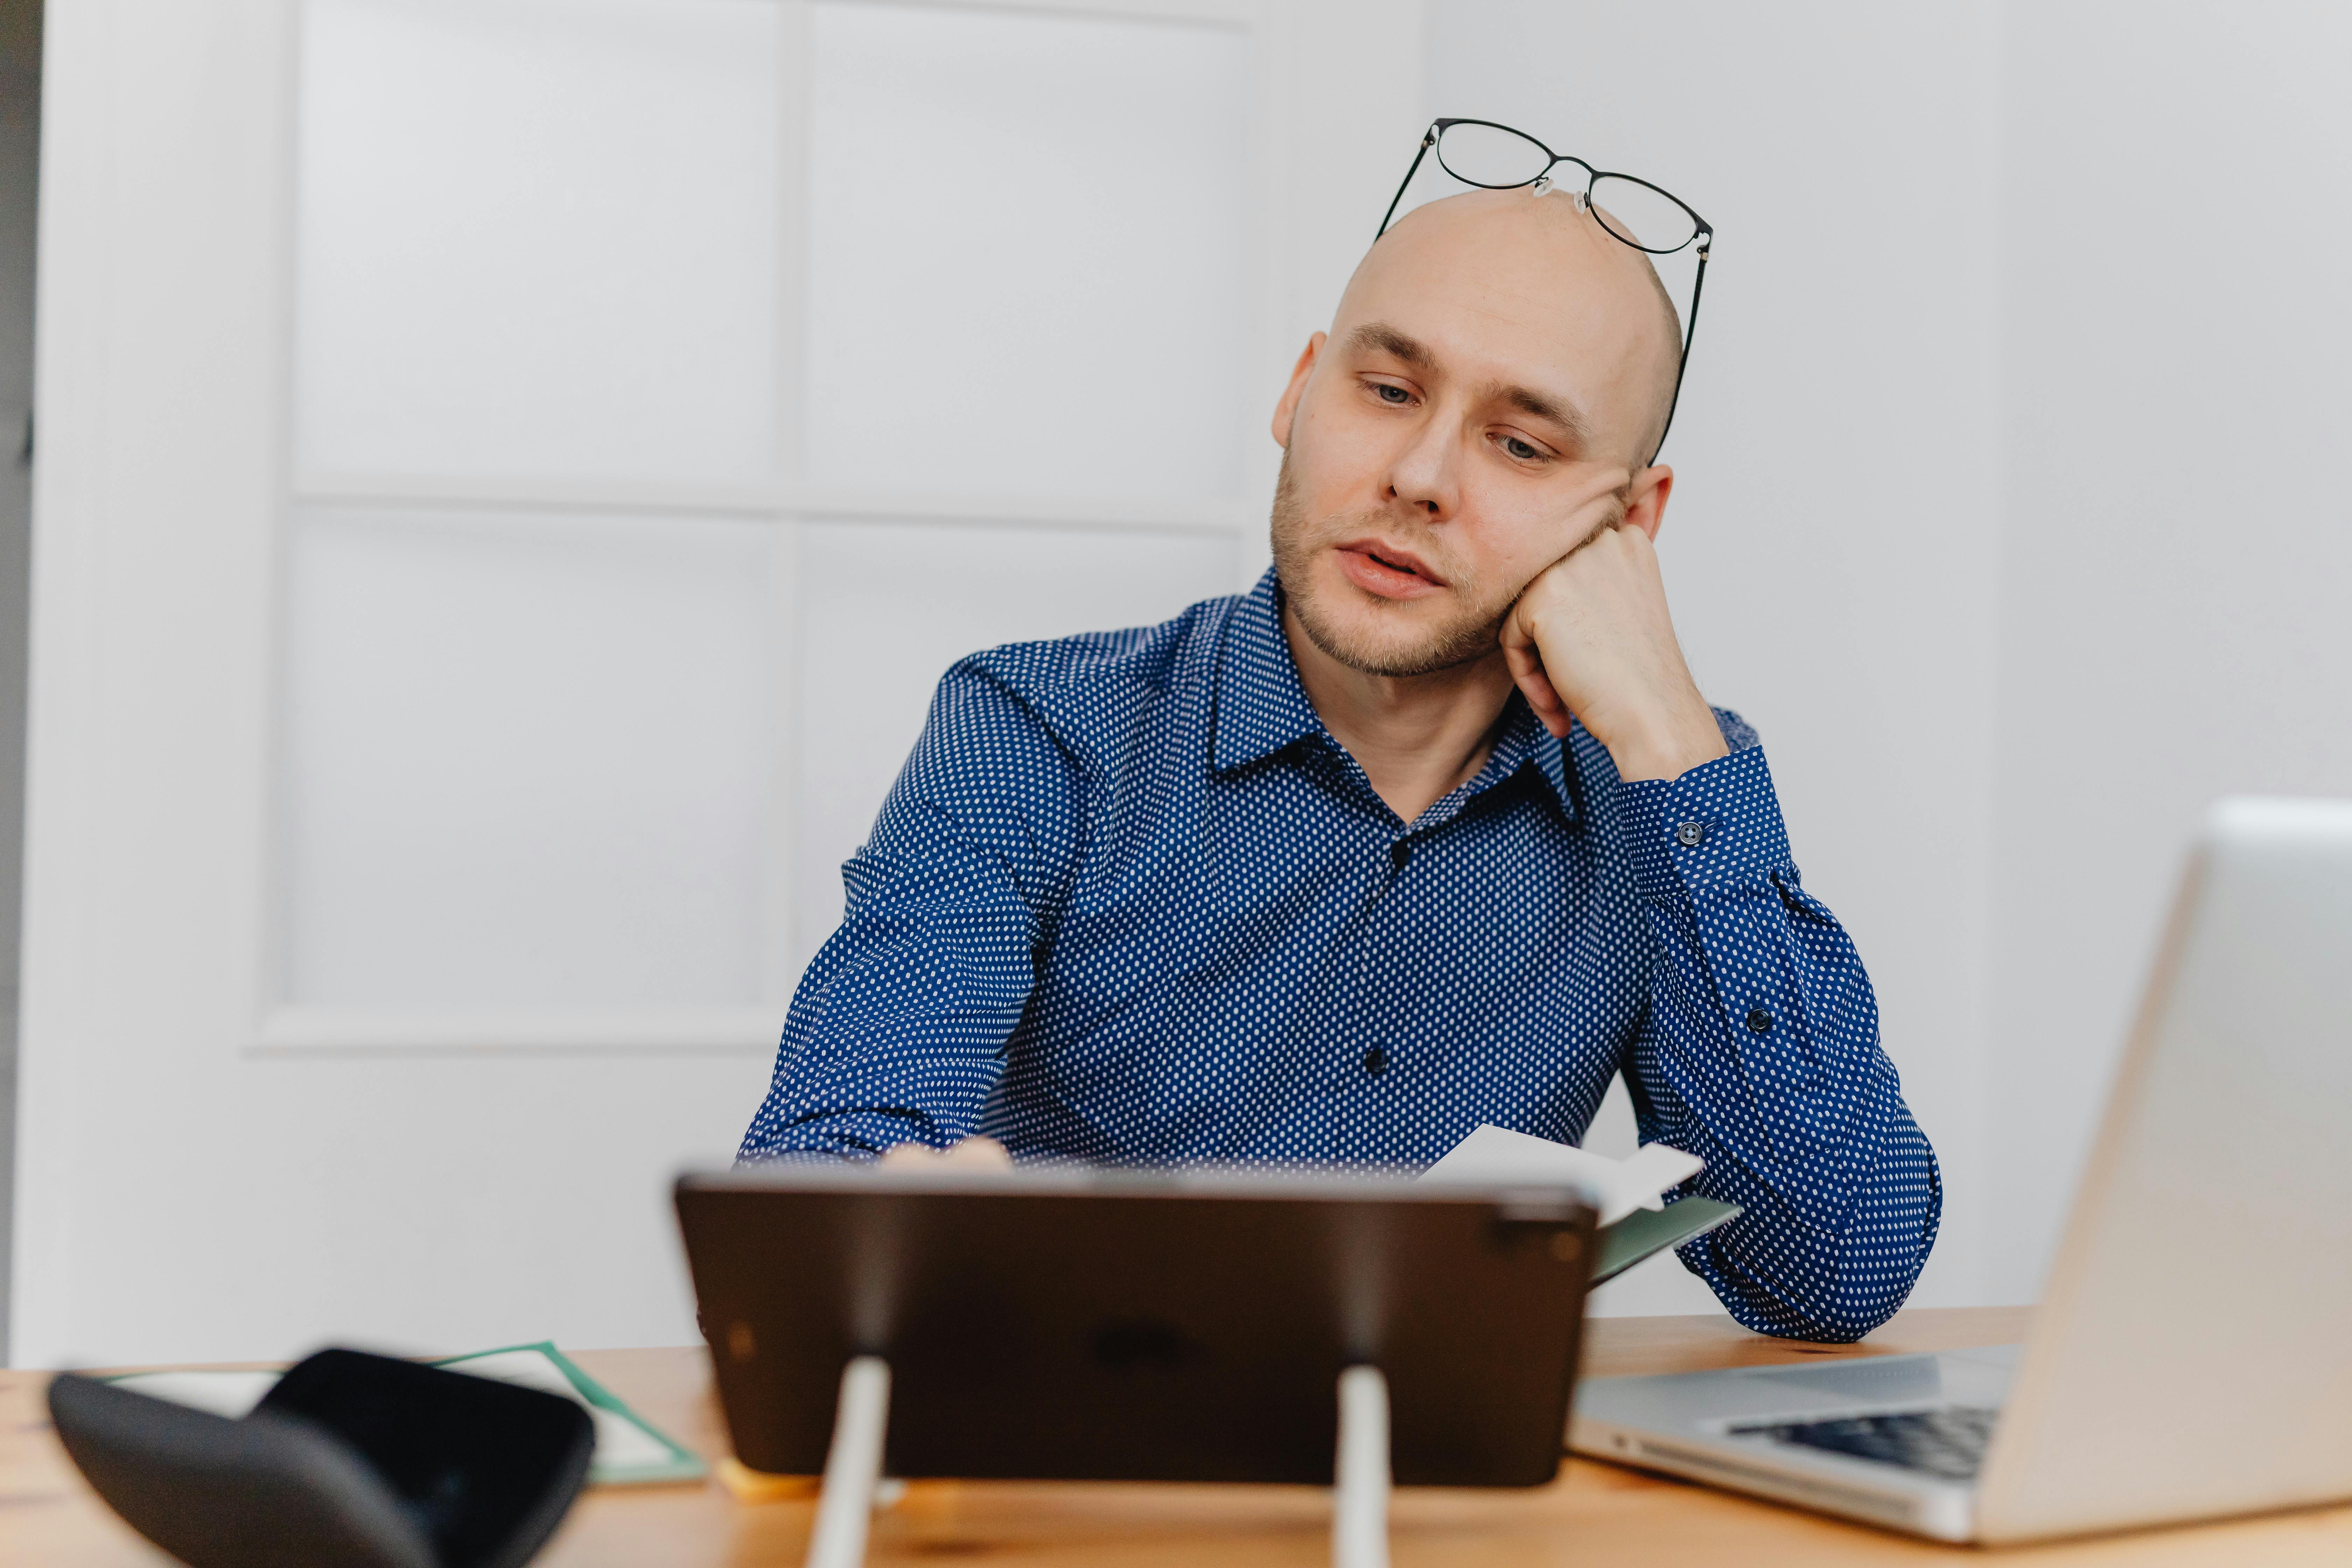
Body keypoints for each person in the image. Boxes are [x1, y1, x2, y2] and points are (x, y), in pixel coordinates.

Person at [739, 181, 1939, 1342]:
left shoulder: (1659, 797)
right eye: (1384, 388)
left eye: (1520, 445)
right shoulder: (1040, 731)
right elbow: (808, 1198)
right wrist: (906, 1222)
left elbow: (1834, 1272)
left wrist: (1678, 743)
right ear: (1301, 390)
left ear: (1629, 524)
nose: (1419, 477)